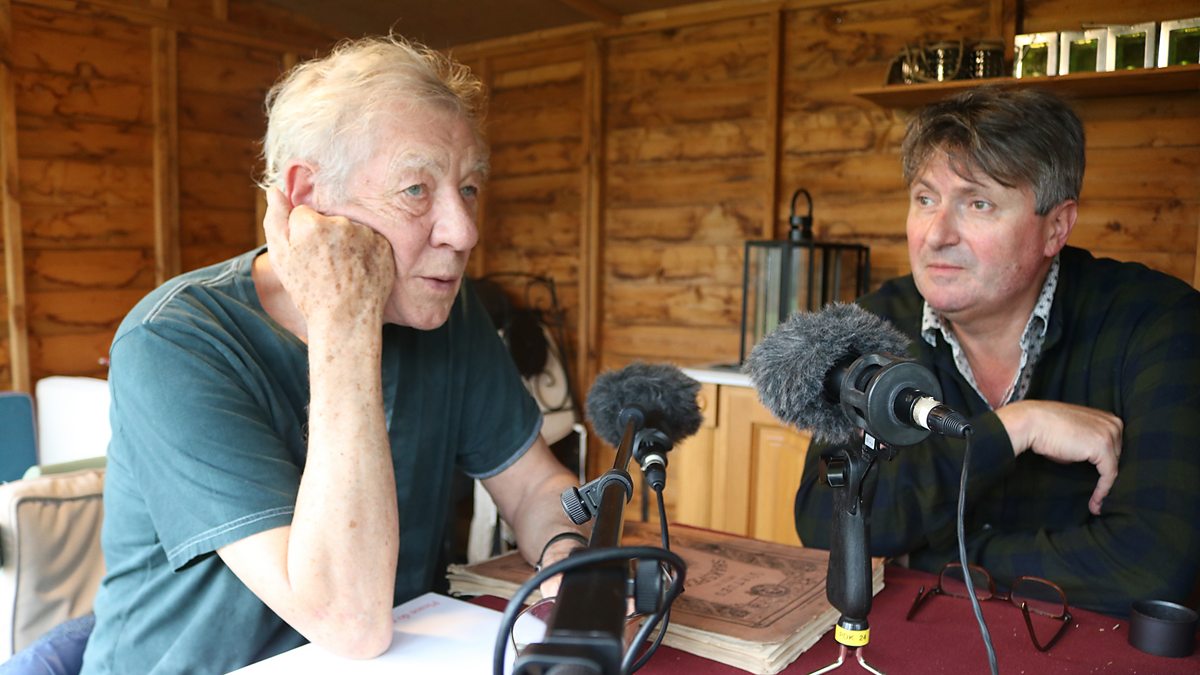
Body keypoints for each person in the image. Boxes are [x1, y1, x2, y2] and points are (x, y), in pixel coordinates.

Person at [81, 35, 587, 674]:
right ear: (307, 198)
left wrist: (569, 564)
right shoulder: (175, 340)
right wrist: (345, 318)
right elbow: (348, 621)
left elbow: (538, 484)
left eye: (468, 188)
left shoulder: (447, 314)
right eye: (415, 190)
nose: (464, 232)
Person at [794, 87, 1200, 618]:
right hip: (918, 639)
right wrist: (1012, 430)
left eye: (977, 203)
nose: (937, 234)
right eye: (925, 199)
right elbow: (824, 522)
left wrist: (931, 554)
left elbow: (1151, 569)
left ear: (1056, 227)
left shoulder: (1158, 322)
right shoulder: (872, 327)